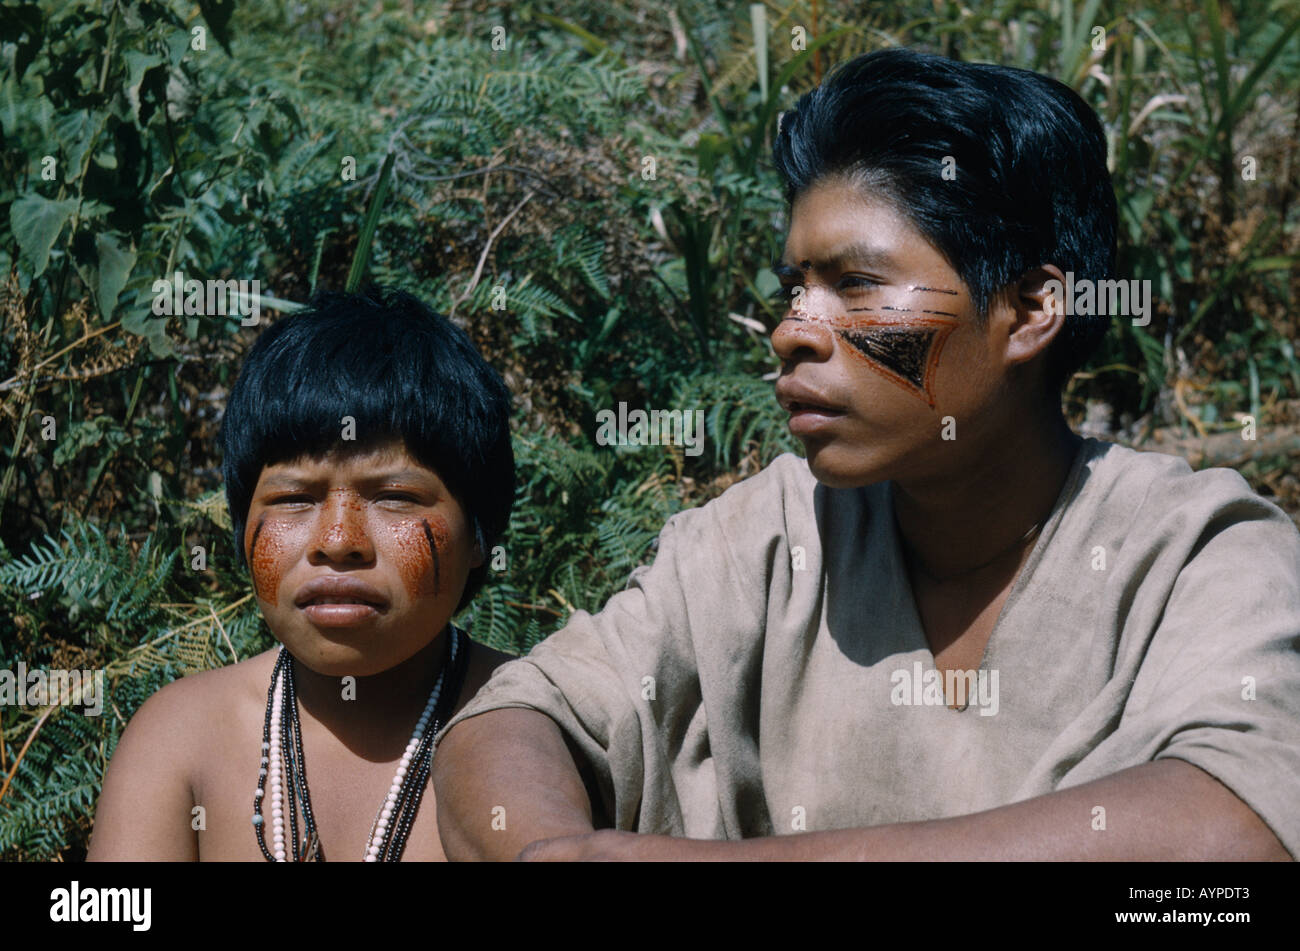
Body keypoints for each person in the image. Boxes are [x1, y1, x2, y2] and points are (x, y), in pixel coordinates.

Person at [431, 48, 1300, 861]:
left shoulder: (1200, 554)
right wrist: (557, 852)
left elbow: (1233, 837)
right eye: (794, 289)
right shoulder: (765, 539)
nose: (790, 332)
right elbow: (515, 721)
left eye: (856, 285)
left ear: (1031, 309)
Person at [88, 286, 517, 861]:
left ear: (478, 534)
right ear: (242, 528)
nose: (338, 543)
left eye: (394, 497)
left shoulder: (533, 729)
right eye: (293, 499)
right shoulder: (181, 739)